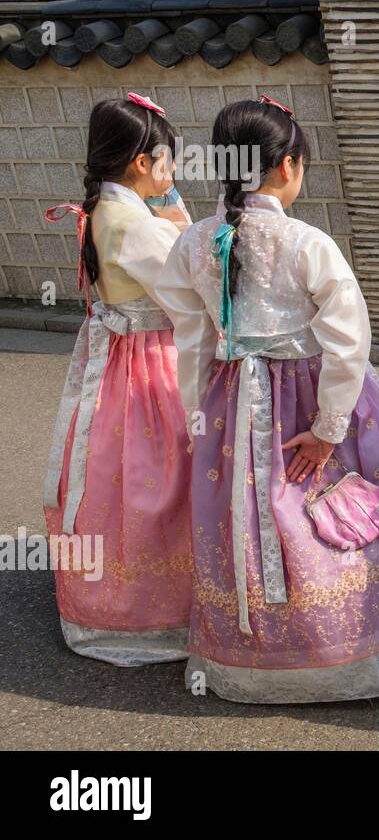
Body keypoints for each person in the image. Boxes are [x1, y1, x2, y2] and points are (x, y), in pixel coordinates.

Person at [155, 96, 379, 703]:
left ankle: (253, 647)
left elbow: (189, 339)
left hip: (229, 398)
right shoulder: (305, 242)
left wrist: (202, 415)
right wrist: (329, 426)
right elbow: (349, 340)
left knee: (244, 514)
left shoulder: (193, 242)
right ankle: (351, 645)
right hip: (312, 392)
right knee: (350, 497)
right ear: (289, 166)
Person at [42, 95, 193, 665]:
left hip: (117, 361)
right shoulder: (137, 226)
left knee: (120, 480)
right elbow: (193, 297)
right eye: (167, 161)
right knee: (166, 478)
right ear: (139, 161)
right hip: (153, 362)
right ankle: (157, 610)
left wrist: (171, 207)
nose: (173, 172)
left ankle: (118, 601)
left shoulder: (105, 213)